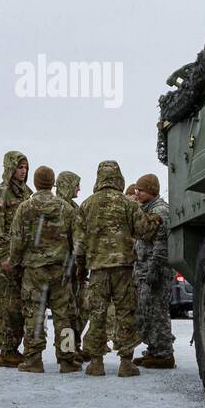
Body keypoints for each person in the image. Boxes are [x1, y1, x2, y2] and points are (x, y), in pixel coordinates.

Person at [73, 161, 161, 377]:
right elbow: (144, 231)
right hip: (123, 268)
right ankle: (125, 362)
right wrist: (156, 220)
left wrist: (80, 269)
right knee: (125, 313)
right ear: (118, 178)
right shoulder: (127, 203)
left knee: (97, 314)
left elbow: (79, 243)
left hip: (98, 269)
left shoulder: (86, 205)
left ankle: (95, 362)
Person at [9, 166, 80, 373]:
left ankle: (33, 359)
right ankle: (67, 359)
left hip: (34, 271)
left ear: (36, 181)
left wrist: (14, 262)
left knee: (34, 315)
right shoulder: (65, 208)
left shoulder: (25, 208)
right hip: (60, 270)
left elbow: (17, 240)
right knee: (64, 316)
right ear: (52, 183)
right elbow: (76, 239)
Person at [0, 151, 31, 367]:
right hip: (6, 261)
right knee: (7, 306)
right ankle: (6, 350)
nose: (22, 171)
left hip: (24, 260)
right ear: (10, 168)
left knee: (21, 306)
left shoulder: (27, 194)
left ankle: (17, 347)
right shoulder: (1, 193)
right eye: (19, 167)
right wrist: (4, 257)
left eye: (25, 167)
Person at [132, 173, 175, 369]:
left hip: (155, 270)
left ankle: (164, 354)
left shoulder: (161, 211)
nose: (137, 193)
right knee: (147, 311)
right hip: (145, 270)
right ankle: (153, 350)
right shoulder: (147, 210)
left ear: (151, 190)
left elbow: (161, 243)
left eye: (140, 190)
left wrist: (154, 269)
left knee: (158, 312)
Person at [54, 169, 89, 361]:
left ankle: (73, 346)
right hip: (65, 268)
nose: (79, 189)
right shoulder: (63, 208)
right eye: (76, 185)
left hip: (71, 266)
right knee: (66, 314)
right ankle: (66, 351)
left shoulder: (72, 207)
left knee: (78, 309)